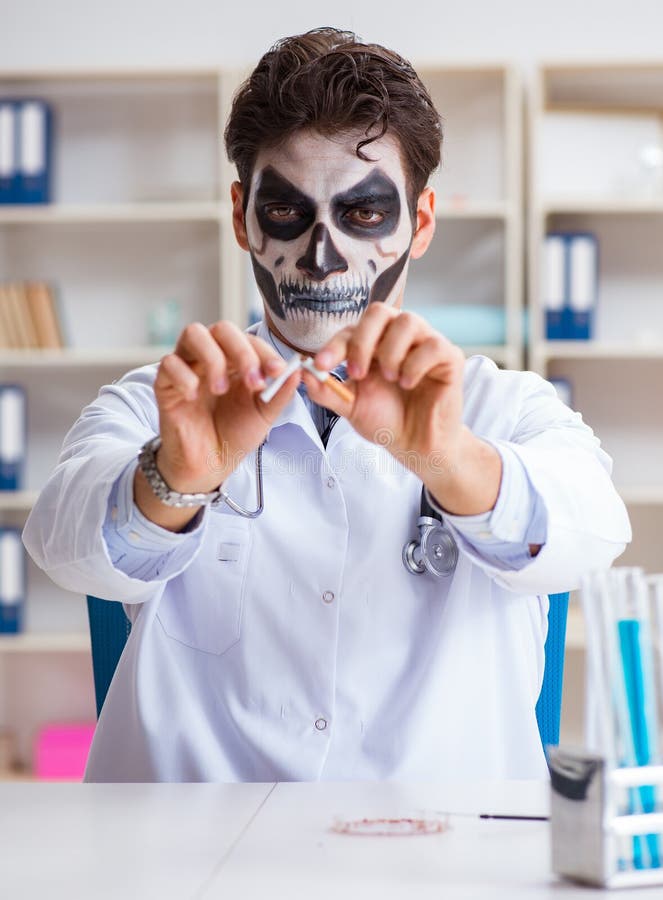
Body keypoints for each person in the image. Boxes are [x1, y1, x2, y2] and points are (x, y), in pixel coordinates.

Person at [23, 27, 631, 782]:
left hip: (442, 851)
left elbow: (592, 530)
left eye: (364, 214)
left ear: (422, 220)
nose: (321, 257)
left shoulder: (505, 405)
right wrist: (176, 478)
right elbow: (62, 543)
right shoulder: (163, 402)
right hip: (190, 851)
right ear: (244, 216)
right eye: (287, 213)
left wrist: (447, 461)